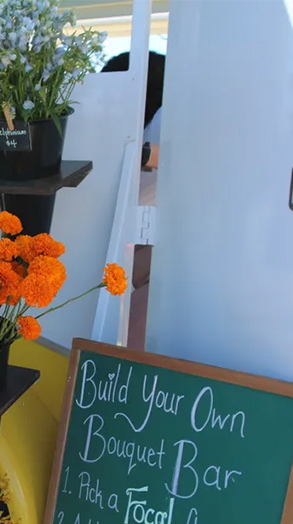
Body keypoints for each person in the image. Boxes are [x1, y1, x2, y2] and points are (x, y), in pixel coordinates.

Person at [101, 51, 165, 349]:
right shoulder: (143, 122)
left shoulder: (163, 118)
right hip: (140, 239)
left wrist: (140, 152)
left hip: (142, 240)